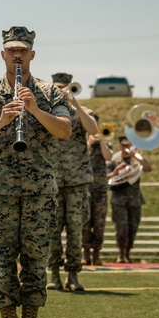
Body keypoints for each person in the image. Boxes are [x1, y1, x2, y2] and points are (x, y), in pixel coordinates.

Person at [0, 26, 71, 318]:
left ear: (32, 55)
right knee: (2, 257)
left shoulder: (51, 93)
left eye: (22, 50)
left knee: (36, 256)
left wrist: (35, 110)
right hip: (0, 189)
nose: (17, 55)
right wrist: (2, 120)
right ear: (2, 54)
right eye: (11, 50)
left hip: (39, 189)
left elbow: (65, 130)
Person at [47, 73, 98, 292]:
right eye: (57, 88)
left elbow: (94, 130)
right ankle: (55, 274)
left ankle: (73, 275)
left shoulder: (82, 111)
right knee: (53, 230)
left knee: (76, 230)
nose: (62, 91)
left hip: (77, 180)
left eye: (65, 88)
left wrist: (74, 102)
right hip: (53, 181)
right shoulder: (47, 112)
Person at [107, 136, 152, 263]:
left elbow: (148, 168)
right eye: (123, 145)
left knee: (133, 227)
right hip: (119, 200)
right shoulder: (115, 159)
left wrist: (135, 156)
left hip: (134, 199)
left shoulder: (136, 159)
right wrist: (116, 171)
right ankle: (121, 254)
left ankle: (128, 252)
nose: (125, 148)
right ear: (120, 146)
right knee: (122, 228)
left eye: (128, 145)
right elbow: (107, 176)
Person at [82, 114, 112, 265]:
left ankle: (96, 254)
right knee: (85, 224)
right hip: (85, 188)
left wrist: (101, 142)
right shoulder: (81, 140)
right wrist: (88, 142)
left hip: (100, 189)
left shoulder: (105, 139)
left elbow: (108, 157)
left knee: (99, 224)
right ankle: (85, 254)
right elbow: (79, 158)